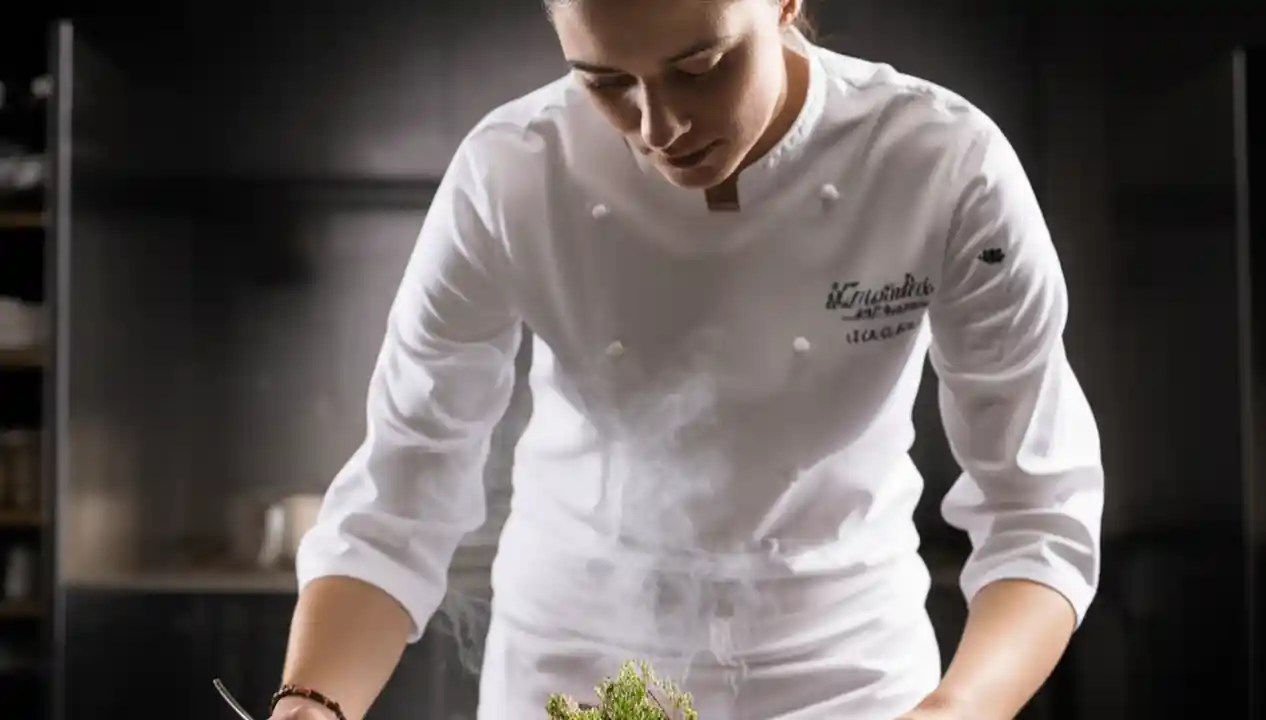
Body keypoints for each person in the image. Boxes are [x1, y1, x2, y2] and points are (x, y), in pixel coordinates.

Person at [270, 0, 1105, 718]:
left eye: (700, 68)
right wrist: (313, 702)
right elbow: (401, 492)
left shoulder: (943, 165)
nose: (658, 127)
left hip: (849, 681)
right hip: (574, 676)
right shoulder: (512, 172)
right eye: (605, 82)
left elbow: (1038, 512)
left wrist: (959, 709)